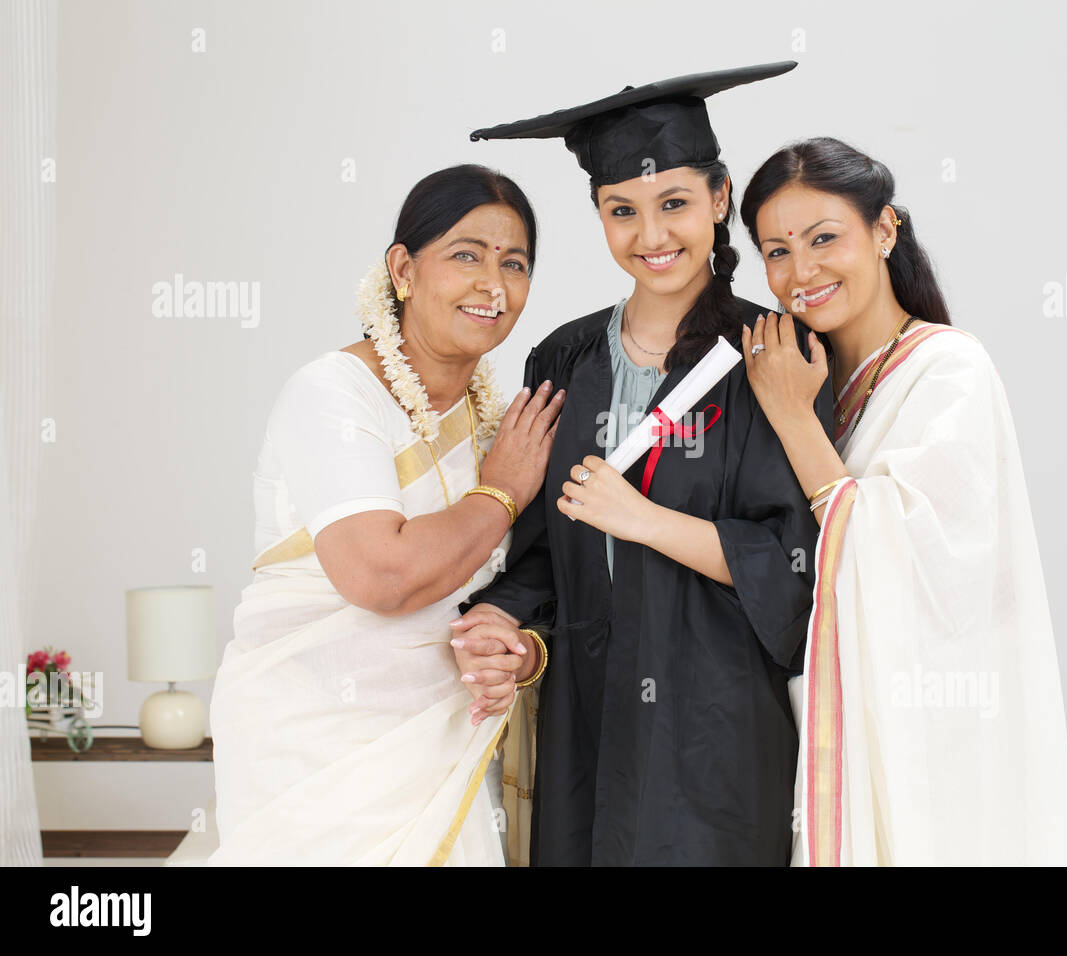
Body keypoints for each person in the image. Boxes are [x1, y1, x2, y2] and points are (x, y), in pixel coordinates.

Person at [450, 62, 835, 865]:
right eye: (622, 211)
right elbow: (541, 558)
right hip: (586, 719)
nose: (651, 236)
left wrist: (645, 521)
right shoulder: (564, 356)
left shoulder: (775, 354)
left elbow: (802, 572)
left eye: (675, 205)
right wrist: (499, 616)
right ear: (597, 214)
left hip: (716, 736)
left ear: (721, 197)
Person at [737, 136, 1067, 865]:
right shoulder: (816, 378)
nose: (802, 272)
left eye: (824, 238)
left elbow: (917, 563)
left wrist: (795, 421)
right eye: (776, 251)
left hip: (936, 736)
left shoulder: (951, 370)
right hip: (837, 720)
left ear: (884, 230)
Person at [206, 165, 564, 866]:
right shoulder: (333, 395)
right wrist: (501, 495)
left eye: (514, 263)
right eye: (467, 254)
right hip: (314, 750)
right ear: (403, 268)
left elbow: (507, 590)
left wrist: (511, 648)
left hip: (441, 746)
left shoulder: (498, 428)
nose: (493, 284)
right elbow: (380, 576)